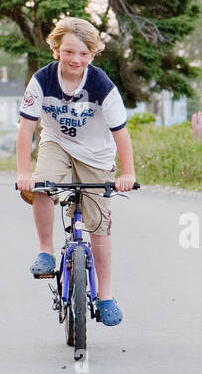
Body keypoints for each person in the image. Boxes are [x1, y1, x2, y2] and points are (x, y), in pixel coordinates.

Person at [15, 17, 136, 327]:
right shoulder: (42, 80)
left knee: (98, 225)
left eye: (83, 54)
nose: (75, 60)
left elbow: (121, 134)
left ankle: (105, 296)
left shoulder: (101, 85)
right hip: (58, 143)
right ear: (57, 50)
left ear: (92, 55)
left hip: (96, 155)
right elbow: (26, 129)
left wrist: (127, 173)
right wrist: (24, 172)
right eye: (69, 52)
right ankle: (46, 252)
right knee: (43, 185)